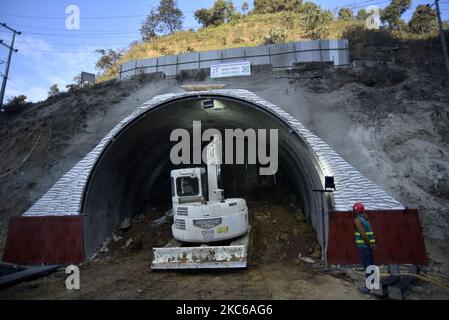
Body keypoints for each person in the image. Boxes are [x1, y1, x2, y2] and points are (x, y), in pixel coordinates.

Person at [353, 202, 376, 294]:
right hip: (368, 245)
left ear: (357, 211)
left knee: (367, 266)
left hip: (363, 246)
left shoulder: (358, 220)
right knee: (371, 264)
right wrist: (372, 243)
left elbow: (363, 234)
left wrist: (369, 243)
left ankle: (368, 288)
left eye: (354, 210)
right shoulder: (366, 219)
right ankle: (374, 283)